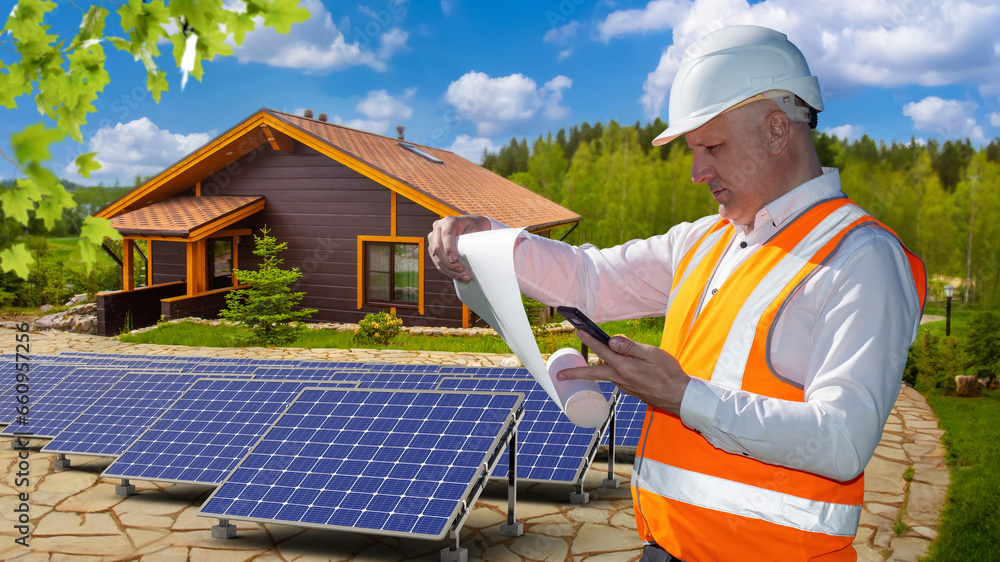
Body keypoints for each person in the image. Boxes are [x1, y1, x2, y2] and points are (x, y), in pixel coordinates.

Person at [428, 25, 925, 562]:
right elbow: (588, 278)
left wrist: (682, 395)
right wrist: (488, 241)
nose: (697, 172)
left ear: (777, 130)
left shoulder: (861, 257)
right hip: (663, 547)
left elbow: (842, 440)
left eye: (712, 147)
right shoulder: (706, 240)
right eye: (693, 150)